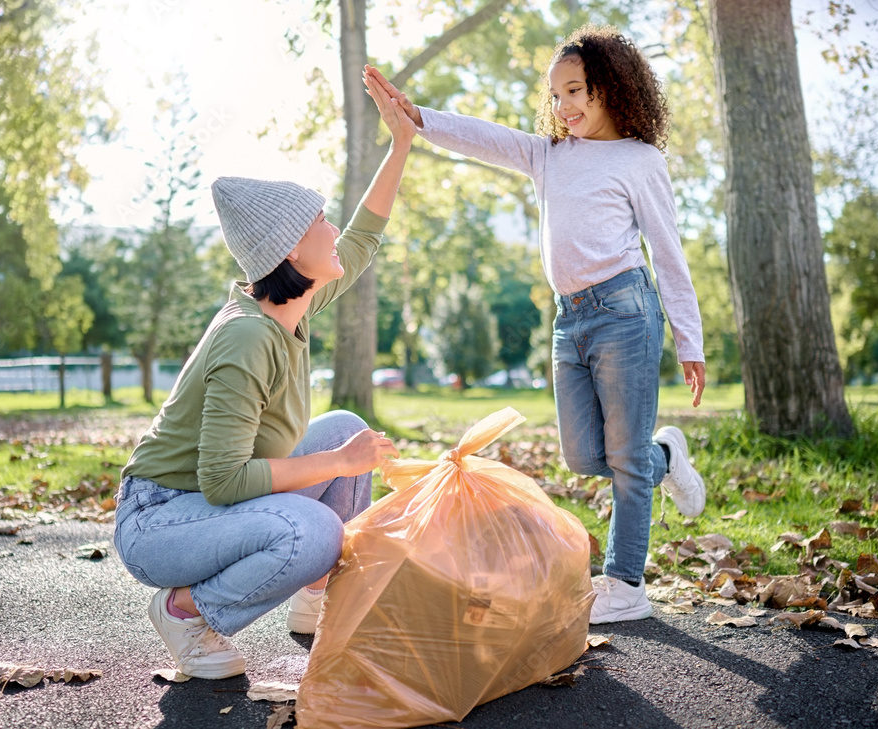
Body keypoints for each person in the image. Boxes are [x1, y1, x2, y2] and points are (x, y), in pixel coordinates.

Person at [365, 24, 706, 624]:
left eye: (576, 90)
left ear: (613, 87)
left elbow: (668, 252)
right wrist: (418, 116)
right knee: (582, 455)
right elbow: (484, 137)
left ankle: (626, 584)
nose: (564, 106)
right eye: (555, 95)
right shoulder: (547, 155)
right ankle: (665, 459)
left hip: (626, 313)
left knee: (622, 458)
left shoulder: (639, 160)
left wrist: (689, 338)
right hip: (569, 320)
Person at [112, 69, 416, 679]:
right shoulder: (248, 336)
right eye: (320, 224)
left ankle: (313, 599)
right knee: (319, 525)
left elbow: (364, 234)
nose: (334, 231)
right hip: (160, 520)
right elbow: (222, 482)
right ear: (289, 254)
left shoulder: (294, 306)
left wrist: (401, 144)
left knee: (343, 427)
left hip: (202, 504)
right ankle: (183, 610)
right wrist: (338, 465)